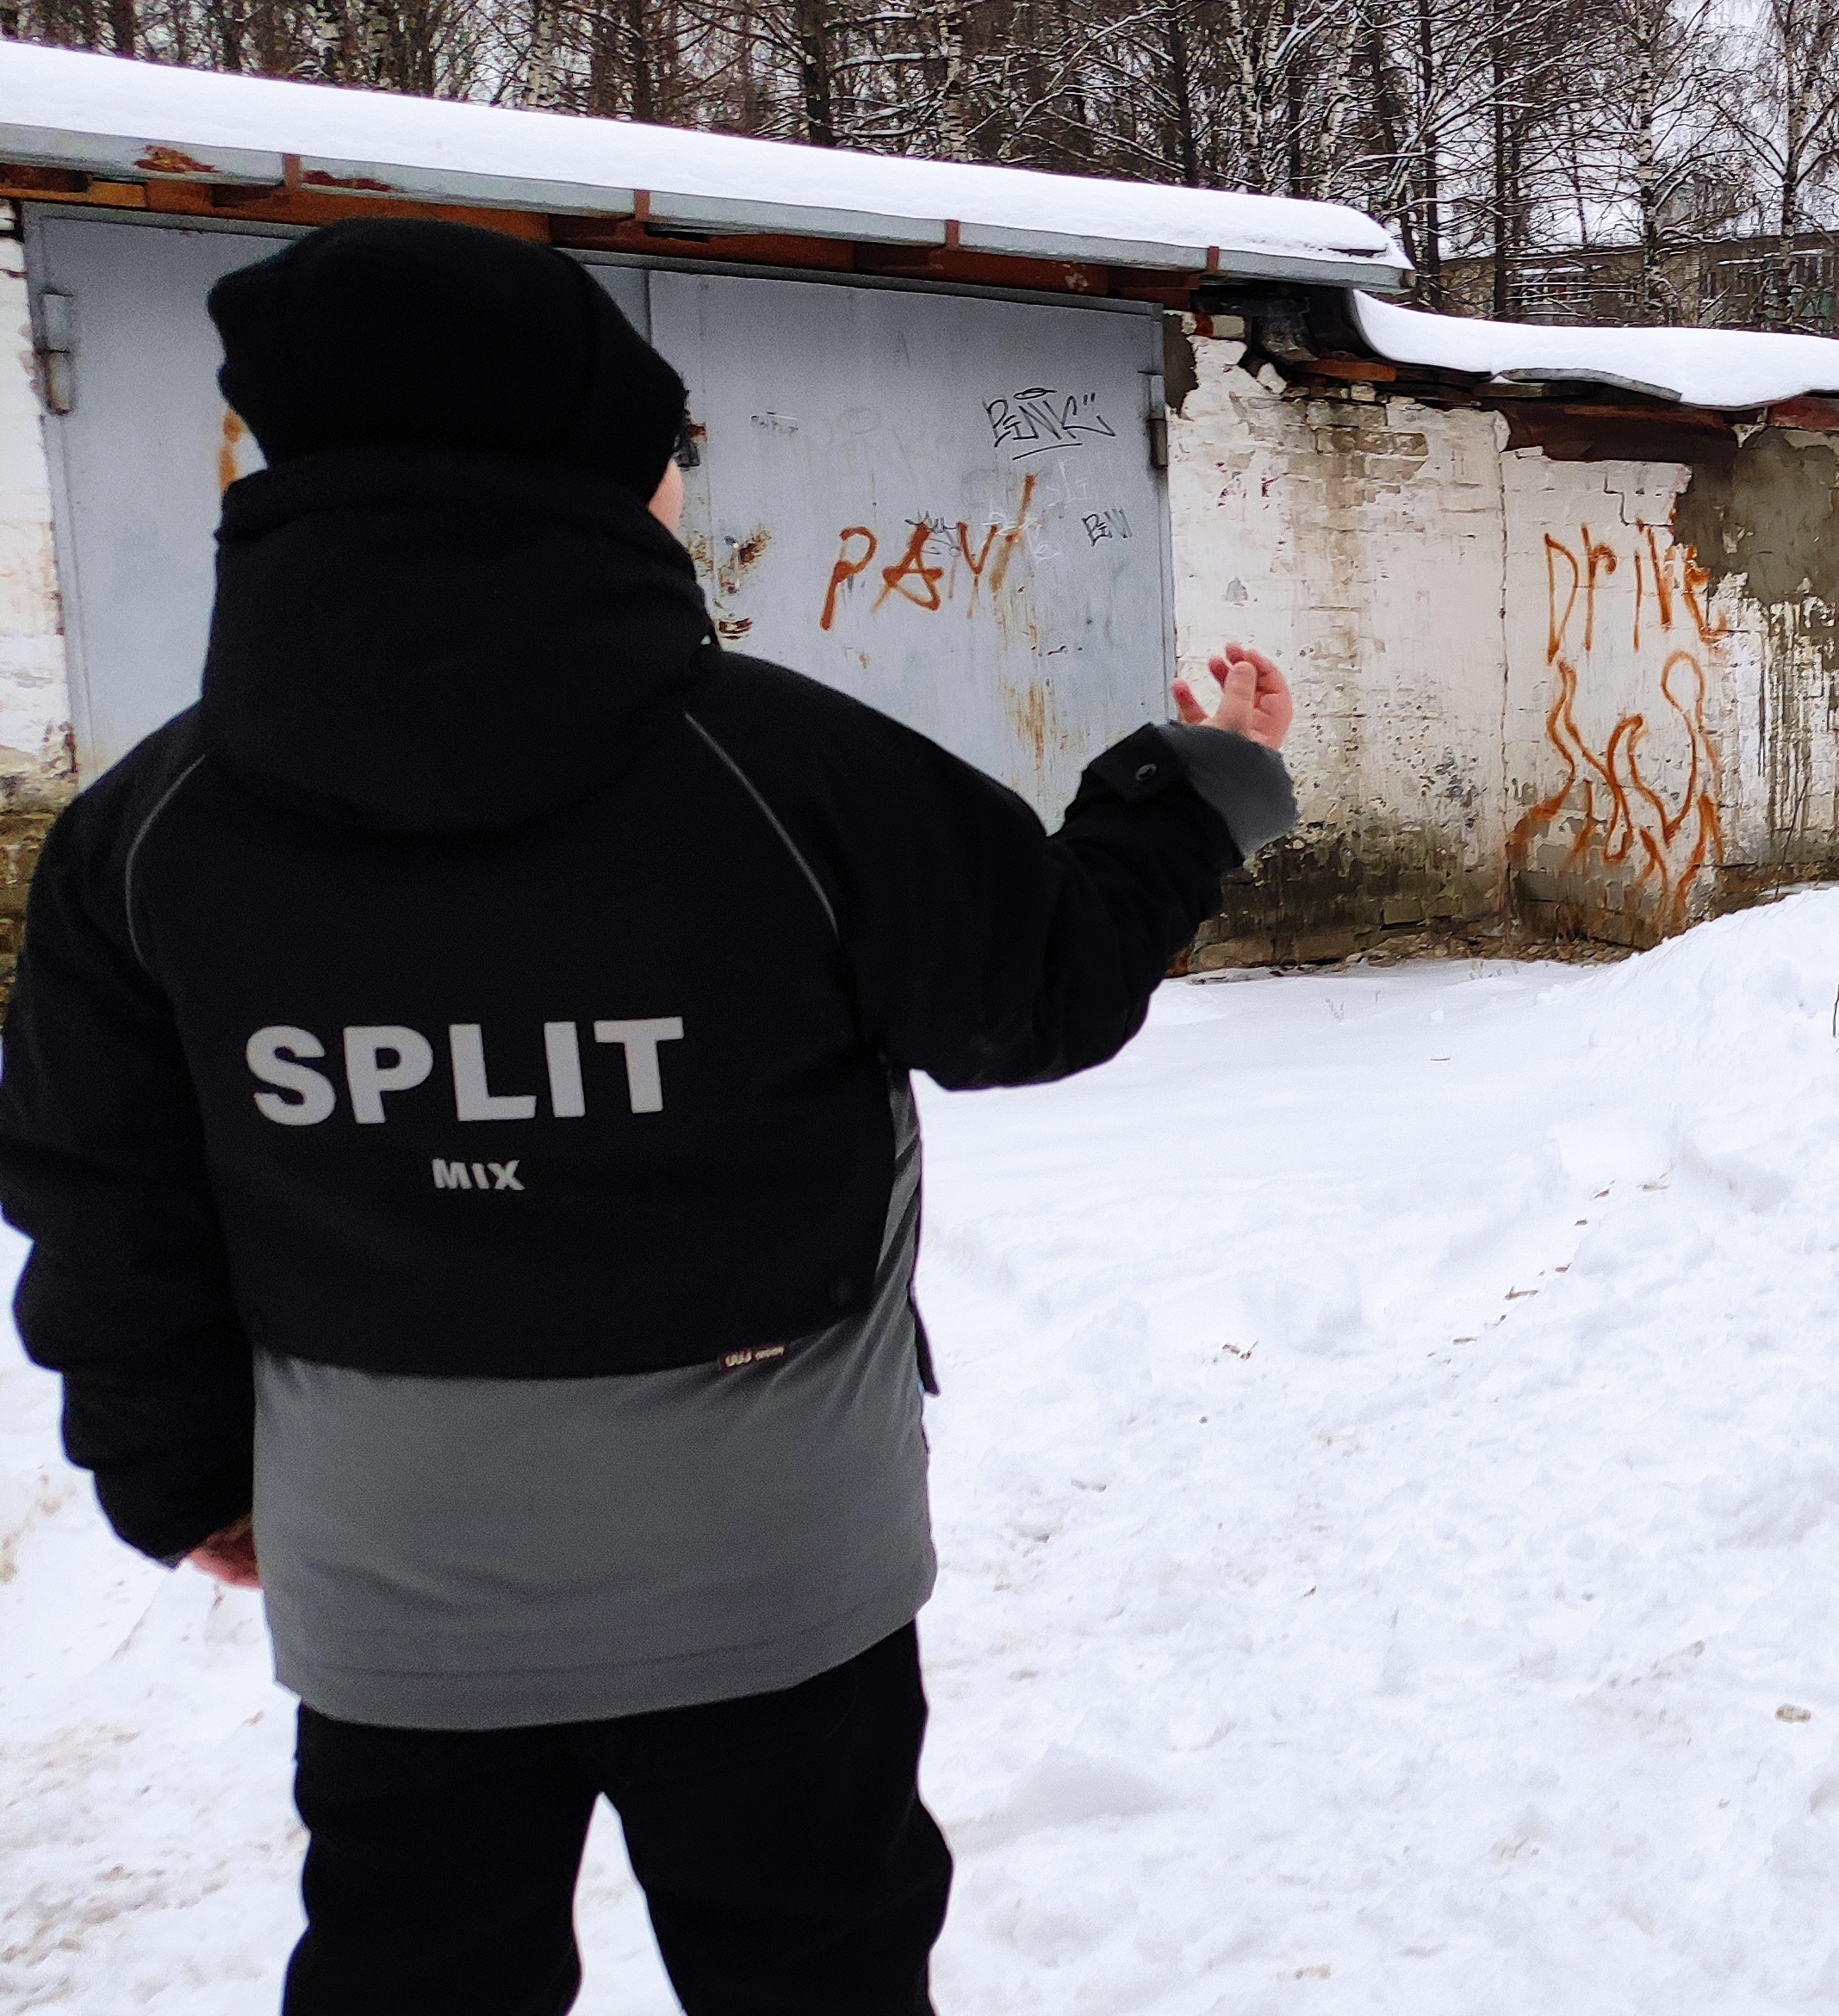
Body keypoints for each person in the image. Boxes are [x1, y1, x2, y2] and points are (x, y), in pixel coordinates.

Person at [0, 218, 1298, 2010]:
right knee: (812, 1972)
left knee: (413, 1973)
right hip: (773, 1582)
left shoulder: (147, 833)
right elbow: (1040, 985)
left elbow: (103, 1189)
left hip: (393, 1589)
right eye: (669, 449)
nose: (685, 484)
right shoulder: (789, 775)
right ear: (594, 467)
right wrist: (1202, 783)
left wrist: (175, 1468)